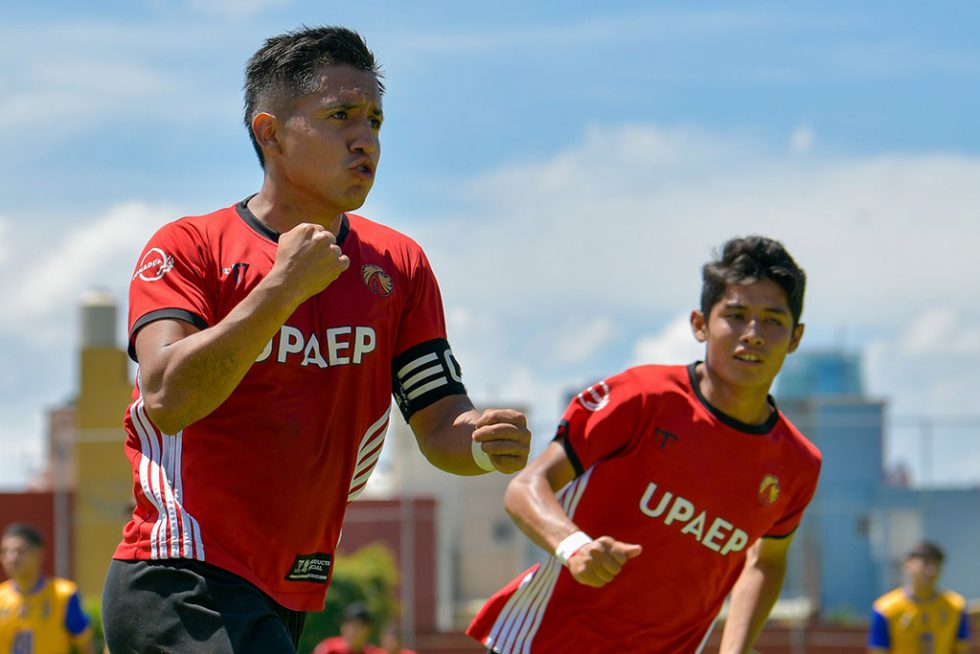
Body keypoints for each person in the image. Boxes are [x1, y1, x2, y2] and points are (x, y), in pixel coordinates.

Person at [101, 25, 531, 654]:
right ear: (270, 133)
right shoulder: (188, 247)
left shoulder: (399, 265)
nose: (366, 139)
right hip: (179, 575)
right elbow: (168, 397)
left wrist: (484, 443)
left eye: (375, 120)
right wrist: (281, 289)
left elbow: (441, 423)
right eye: (340, 116)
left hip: (289, 587)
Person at [467, 235, 823, 653]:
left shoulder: (797, 463)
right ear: (700, 324)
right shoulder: (643, 397)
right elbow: (526, 487)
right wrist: (575, 547)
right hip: (542, 644)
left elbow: (767, 561)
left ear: (795, 337)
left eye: (772, 320)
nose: (753, 334)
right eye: (736, 315)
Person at [0, 522, 95, 654]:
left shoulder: (64, 595)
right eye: (4, 551)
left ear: (38, 554)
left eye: (19, 551)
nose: (11, 558)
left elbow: (85, 645)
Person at [868, 541, 970, 654]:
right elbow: (879, 650)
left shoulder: (955, 606)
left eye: (936, 564)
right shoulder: (885, 609)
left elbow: (962, 649)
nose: (931, 570)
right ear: (908, 564)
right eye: (926, 563)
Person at [312, 603, 380, 654]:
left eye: (357, 626)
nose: (352, 631)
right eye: (349, 626)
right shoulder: (329, 650)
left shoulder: (373, 652)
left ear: (369, 629)